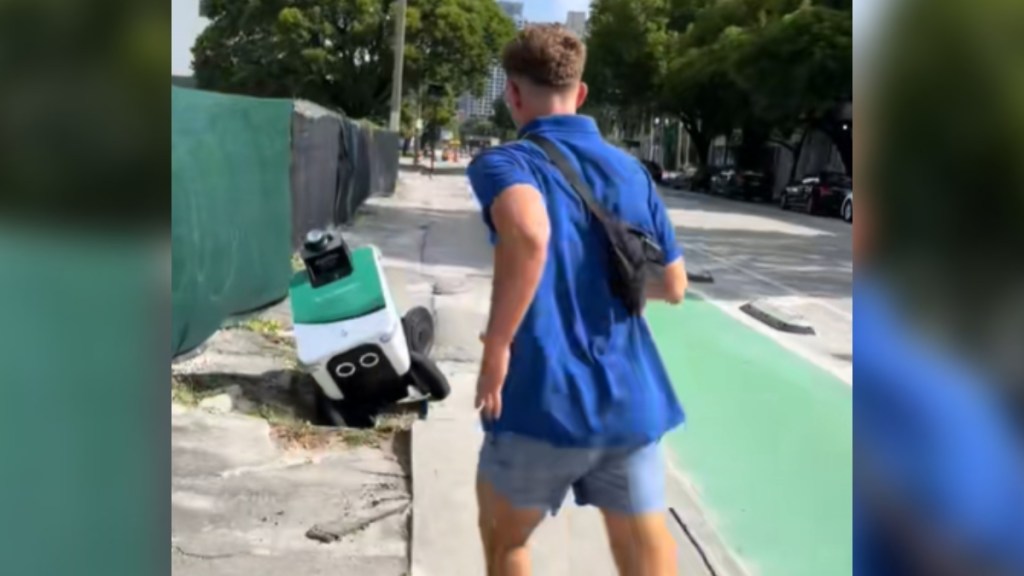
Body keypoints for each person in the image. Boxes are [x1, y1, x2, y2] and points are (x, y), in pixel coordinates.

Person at [466, 24, 689, 576]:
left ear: (512, 95)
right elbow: (673, 286)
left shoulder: (506, 163)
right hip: (629, 401)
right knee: (645, 548)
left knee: (508, 542)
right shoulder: (633, 173)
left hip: (539, 400)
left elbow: (529, 234)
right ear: (581, 93)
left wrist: (497, 345)